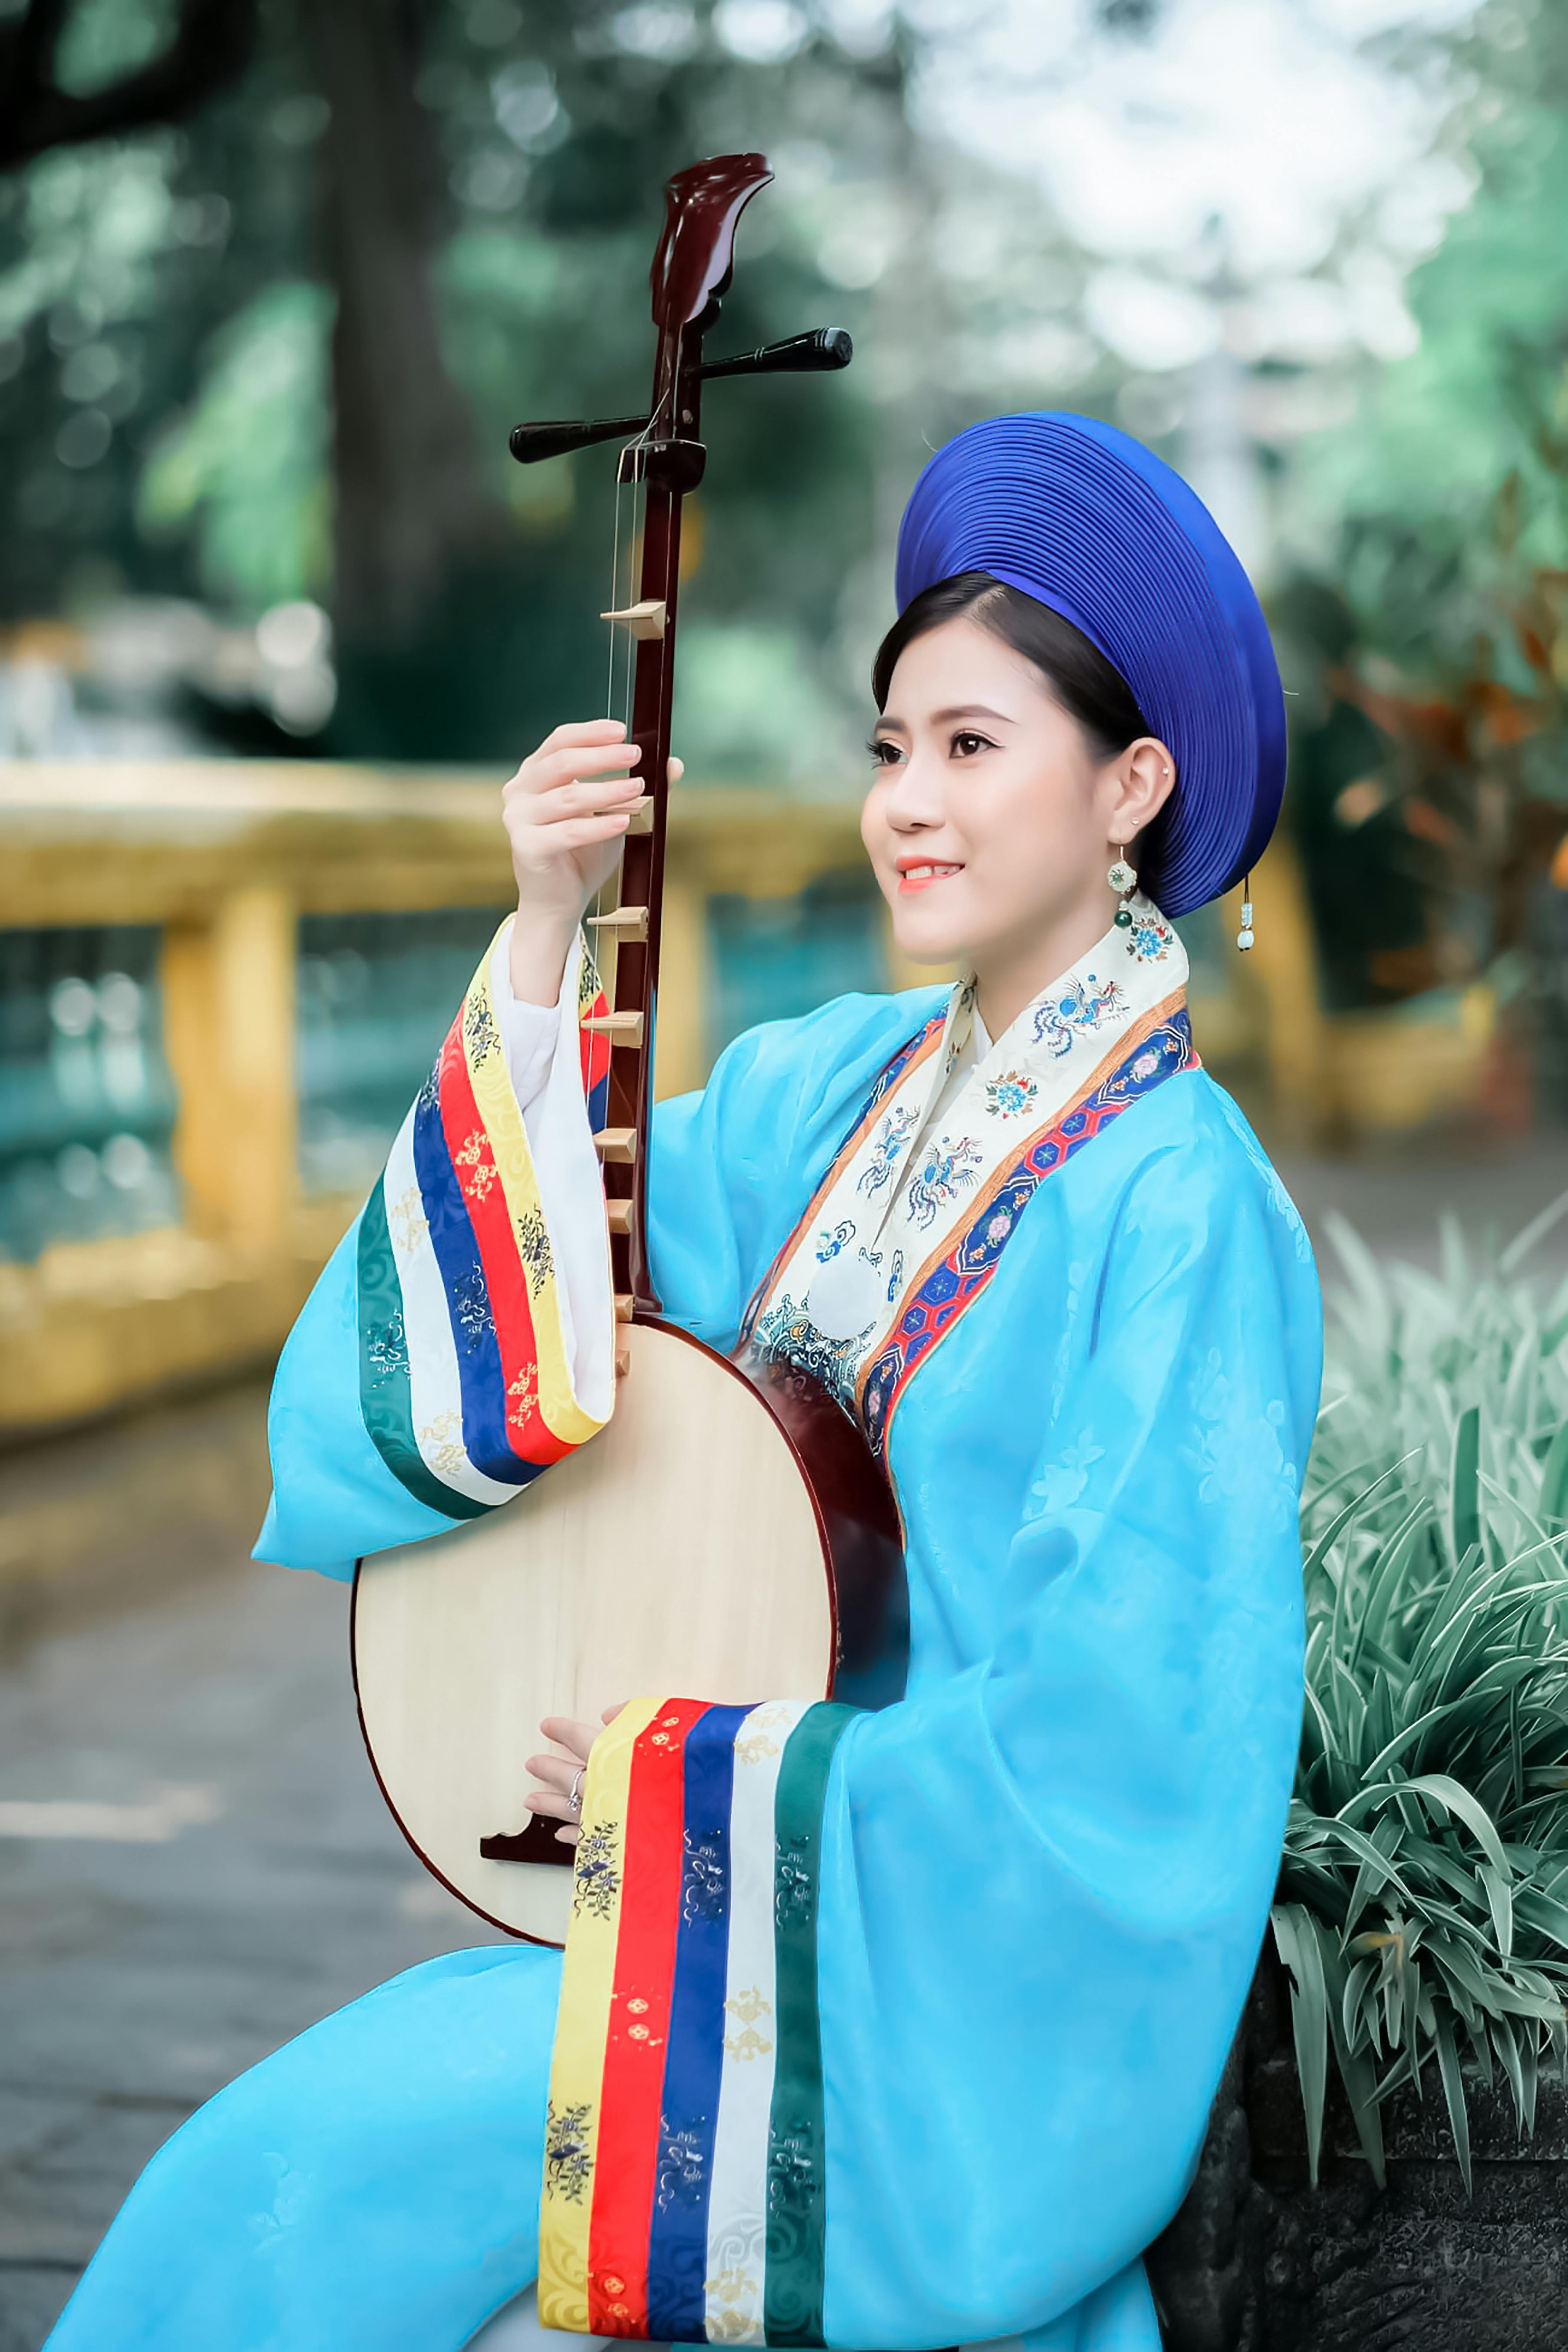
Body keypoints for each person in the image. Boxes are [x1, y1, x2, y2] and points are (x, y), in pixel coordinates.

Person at [45, 412, 1321, 2352]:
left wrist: (707, 1781)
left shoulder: (1184, 1206)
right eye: (889, 748)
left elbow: (1127, 1737)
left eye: (973, 747)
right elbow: (568, 1301)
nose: (907, 803)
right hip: (728, 1904)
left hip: (936, 1994)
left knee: (320, 2176)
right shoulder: (836, 1085)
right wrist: (546, 928)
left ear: (1131, 783)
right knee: (270, 2168)